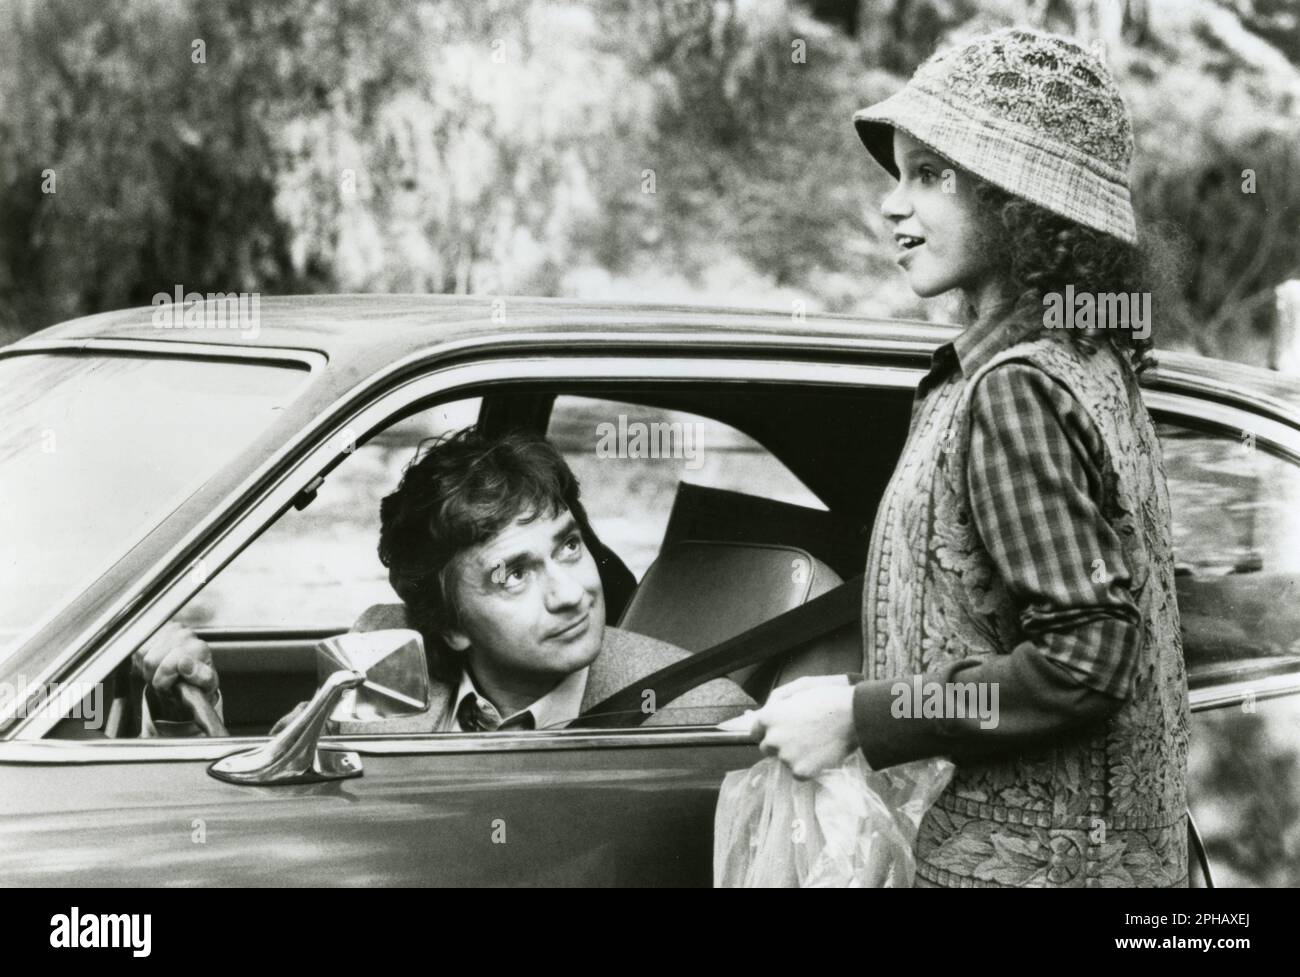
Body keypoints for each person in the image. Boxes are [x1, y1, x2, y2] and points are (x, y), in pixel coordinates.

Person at [749, 27, 1189, 887]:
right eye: (898, 173)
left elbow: (1089, 659)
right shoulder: (1085, 362)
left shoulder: (1017, 387)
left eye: (930, 176)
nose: (890, 204)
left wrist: (861, 715)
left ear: (1016, 198)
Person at [134, 428, 754, 734]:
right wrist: (190, 708)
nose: (572, 593)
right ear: (451, 626)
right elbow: (280, 790)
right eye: (513, 574)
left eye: (568, 546)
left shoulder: (696, 716)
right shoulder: (385, 654)